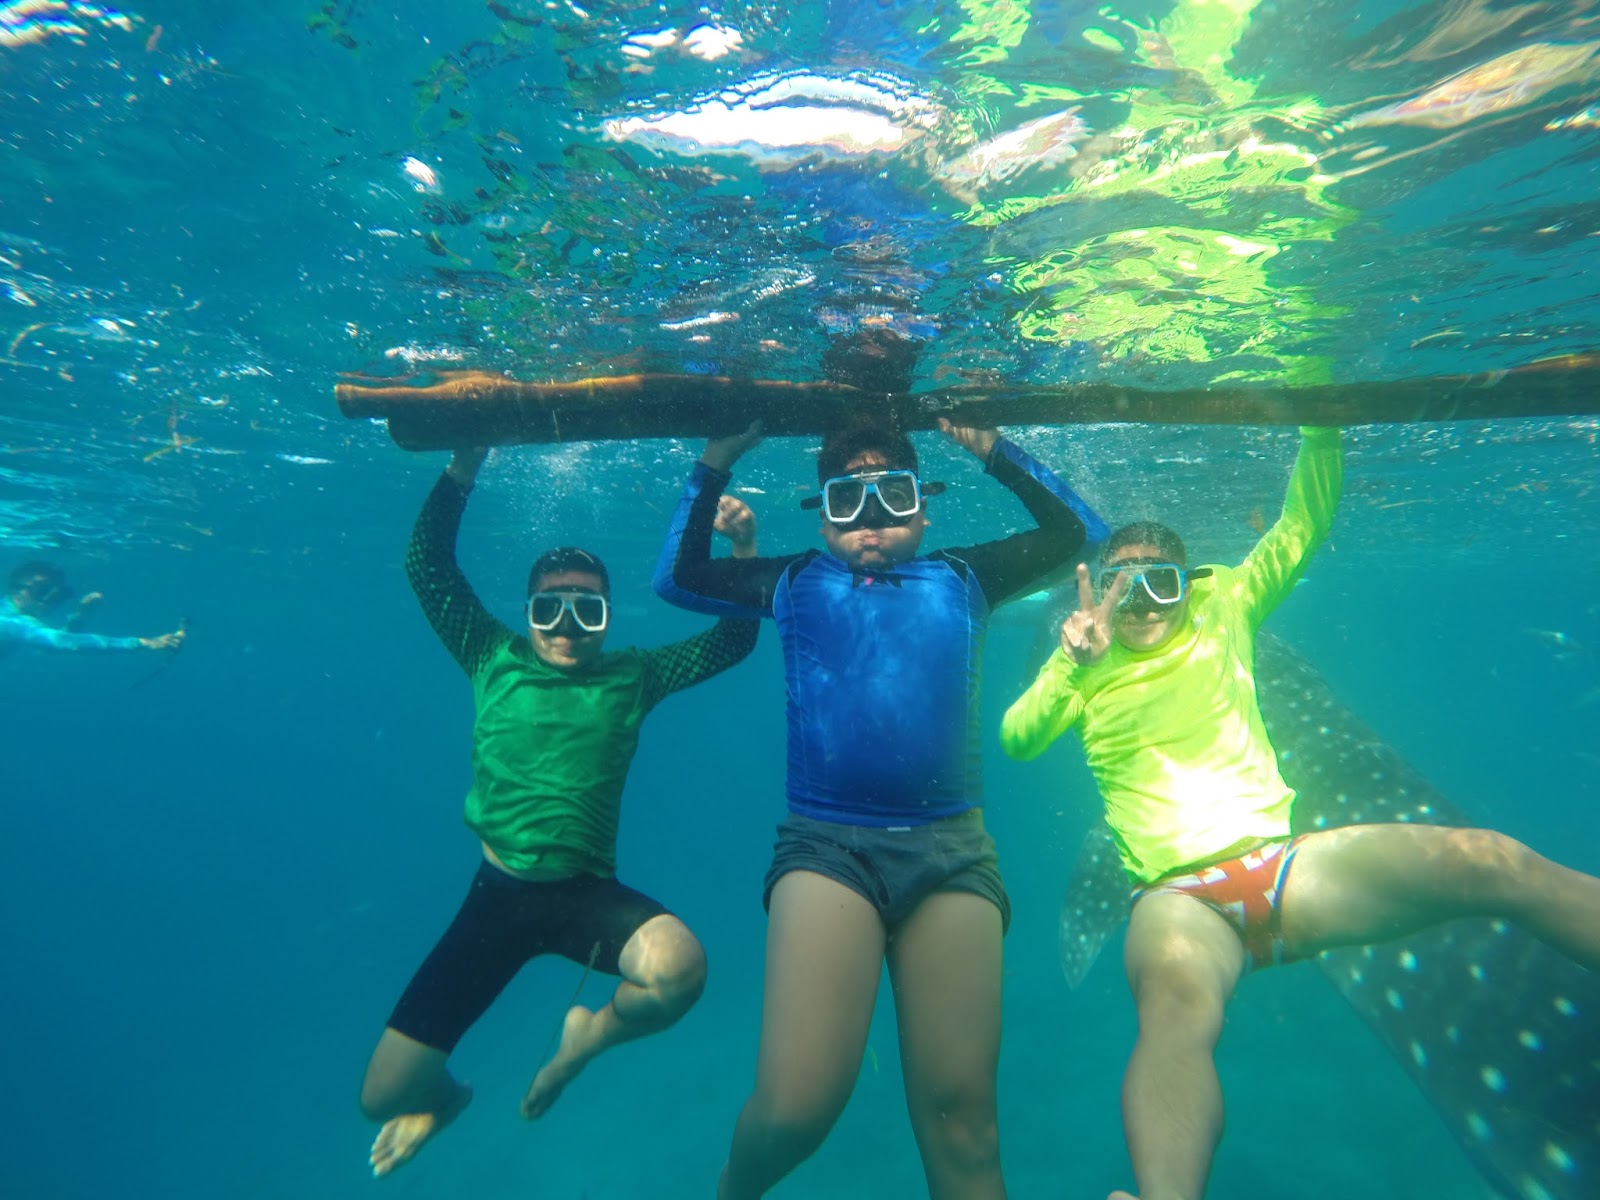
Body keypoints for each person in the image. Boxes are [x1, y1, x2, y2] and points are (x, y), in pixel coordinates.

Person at [999, 426, 1600, 1200]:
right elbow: (1018, 739)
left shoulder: (1228, 610)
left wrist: (1324, 416)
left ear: (1192, 583)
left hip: (1287, 867)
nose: (1145, 604)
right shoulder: (1082, 666)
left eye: (1164, 584)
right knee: (1177, 1012)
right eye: (1125, 588)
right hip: (1179, 900)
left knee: (1492, 860)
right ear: (1097, 597)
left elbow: (1301, 525)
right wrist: (1067, 662)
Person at [654, 410, 1109, 1199]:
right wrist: (714, 460)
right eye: (846, 502)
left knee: (966, 1125)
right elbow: (676, 578)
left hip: (954, 855)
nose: (869, 521)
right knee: (796, 1113)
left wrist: (997, 452)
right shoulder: (793, 581)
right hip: (829, 849)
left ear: (923, 507)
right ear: (822, 514)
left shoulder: (963, 578)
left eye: (891, 497)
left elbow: (1081, 533)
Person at [360, 446, 761, 1178]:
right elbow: (427, 567)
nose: (568, 625)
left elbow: (733, 640)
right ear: (528, 612)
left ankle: (585, 1040)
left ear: (608, 617)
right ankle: (446, 1102)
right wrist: (462, 465)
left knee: (681, 974)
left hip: (584, 897)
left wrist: (742, 548)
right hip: (496, 902)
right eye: (551, 608)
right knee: (383, 1095)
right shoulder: (489, 653)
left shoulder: (634, 675)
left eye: (587, 609)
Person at [0, 560, 185, 656]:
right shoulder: (10, 622)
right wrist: (144, 643)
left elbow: (50, 647)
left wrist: (78, 618)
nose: (49, 601)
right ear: (17, 590)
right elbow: (60, 643)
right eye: (43, 591)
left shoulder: (15, 622)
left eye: (59, 595)